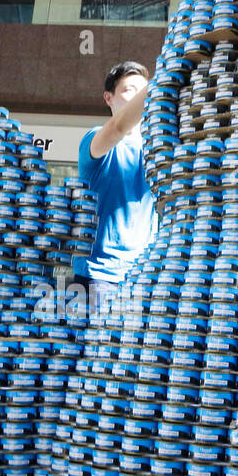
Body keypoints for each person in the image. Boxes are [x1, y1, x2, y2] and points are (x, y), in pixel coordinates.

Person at [70, 61, 155, 320]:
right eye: (131, 90)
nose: (142, 96)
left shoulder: (157, 149)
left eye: (145, 90)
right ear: (109, 98)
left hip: (144, 278)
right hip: (98, 277)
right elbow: (118, 127)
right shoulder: (94, 140)